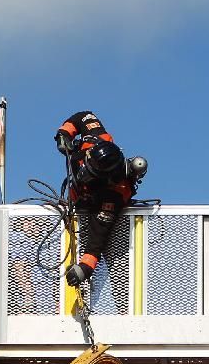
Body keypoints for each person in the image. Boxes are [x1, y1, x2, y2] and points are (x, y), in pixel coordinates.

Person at [55, 111, 147, 286]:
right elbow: (84, 116)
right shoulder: (97, 138)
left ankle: (122, 310)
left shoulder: (115, 194)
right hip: (76, 203)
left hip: (95, 214)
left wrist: (85, 267)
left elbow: (98, 237)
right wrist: (64, 133)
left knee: (118, 269)